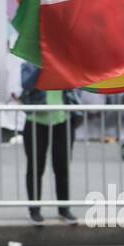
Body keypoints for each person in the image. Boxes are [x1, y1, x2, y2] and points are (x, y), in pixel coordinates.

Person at [18, 60, 73, 224]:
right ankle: (34, 210)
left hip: (62, 119)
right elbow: (27, 84)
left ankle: (64, 209)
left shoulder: (64, 60)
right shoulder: (30, 62)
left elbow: (73, 84)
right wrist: (42, 65)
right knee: (35, 167)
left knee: (62, 166)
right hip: (36, 120)